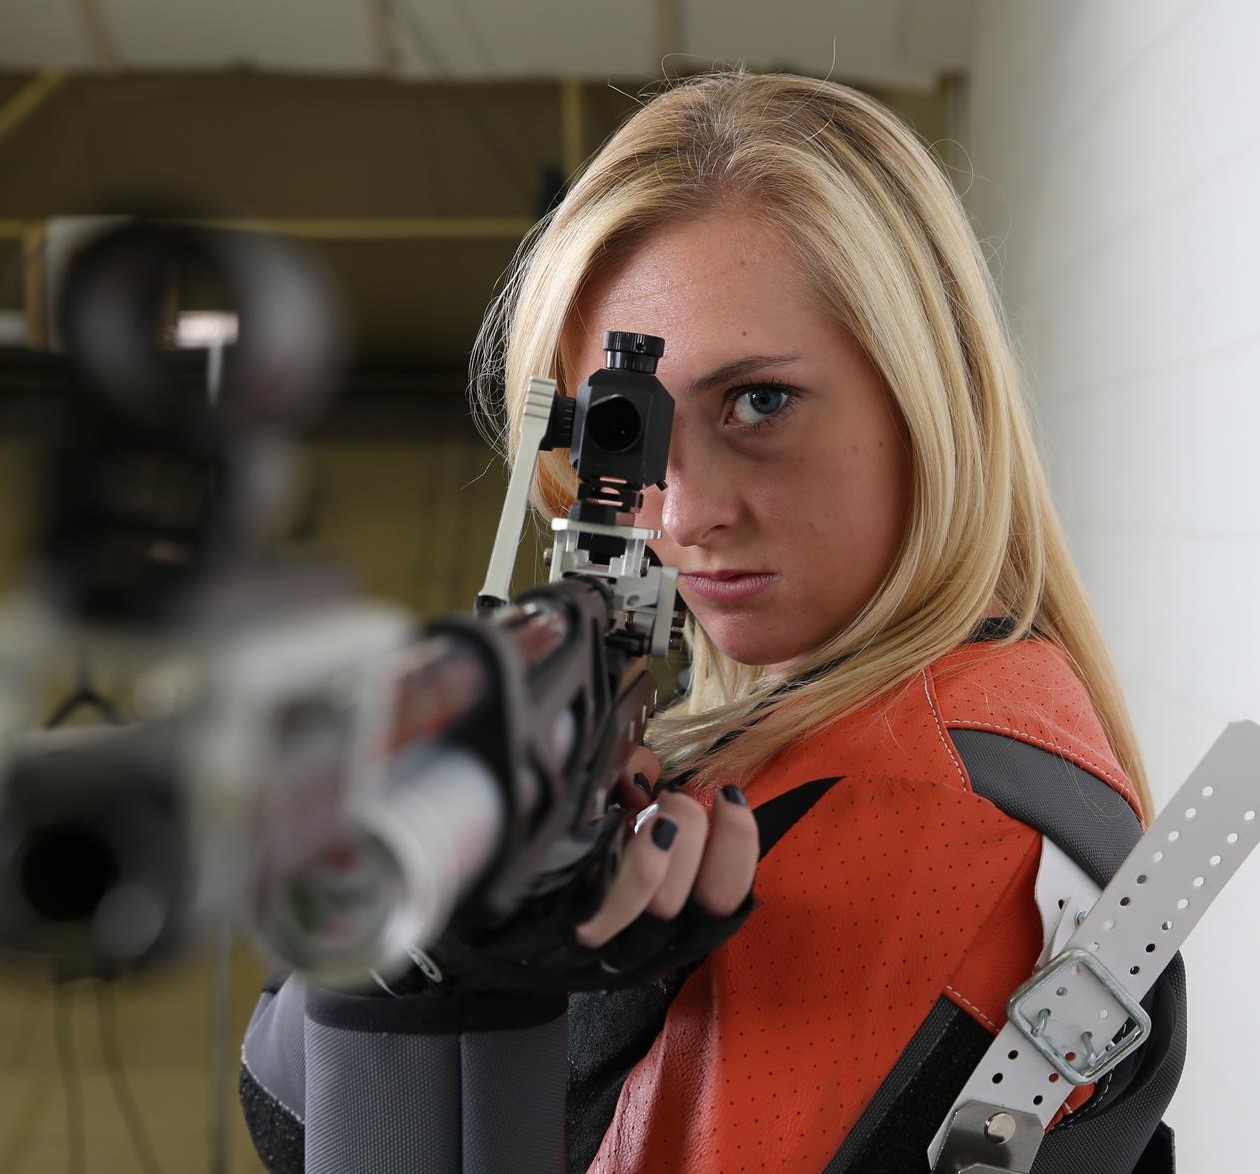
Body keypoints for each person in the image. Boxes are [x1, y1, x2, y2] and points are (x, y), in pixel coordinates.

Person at [241, 71, 1183, 1173]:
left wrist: (442, 1010)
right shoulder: (888, 725)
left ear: (932, 387)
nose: (684, 515)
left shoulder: (918, 803)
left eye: (759, 403)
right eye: (625, 435)